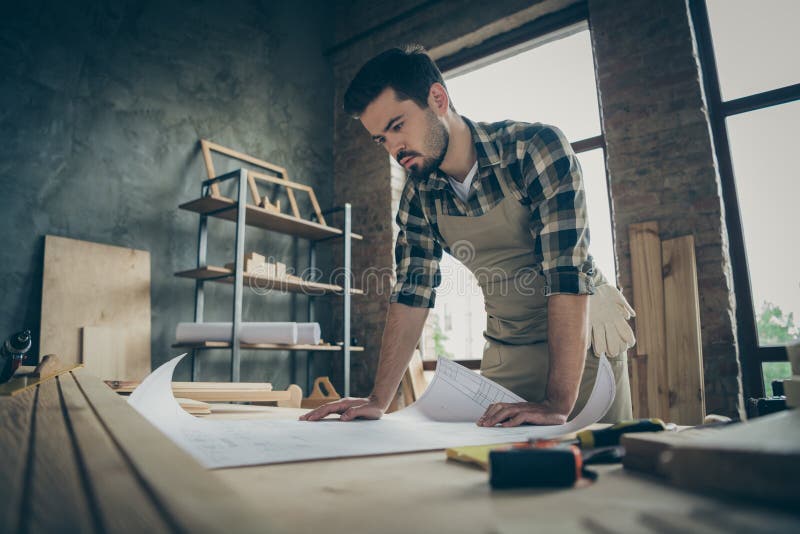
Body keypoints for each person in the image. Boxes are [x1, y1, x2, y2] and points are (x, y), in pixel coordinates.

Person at [301, 45, 635, 427]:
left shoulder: (534, 151)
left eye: (397, 127)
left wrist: (556, 403)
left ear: (438, 99)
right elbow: (412, 292)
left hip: (582, 345)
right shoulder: (418, 197)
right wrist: (379, 399)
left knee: (602, 468)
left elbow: (565, 273)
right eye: (382, 139)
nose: (394, 149)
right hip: (509, 349)